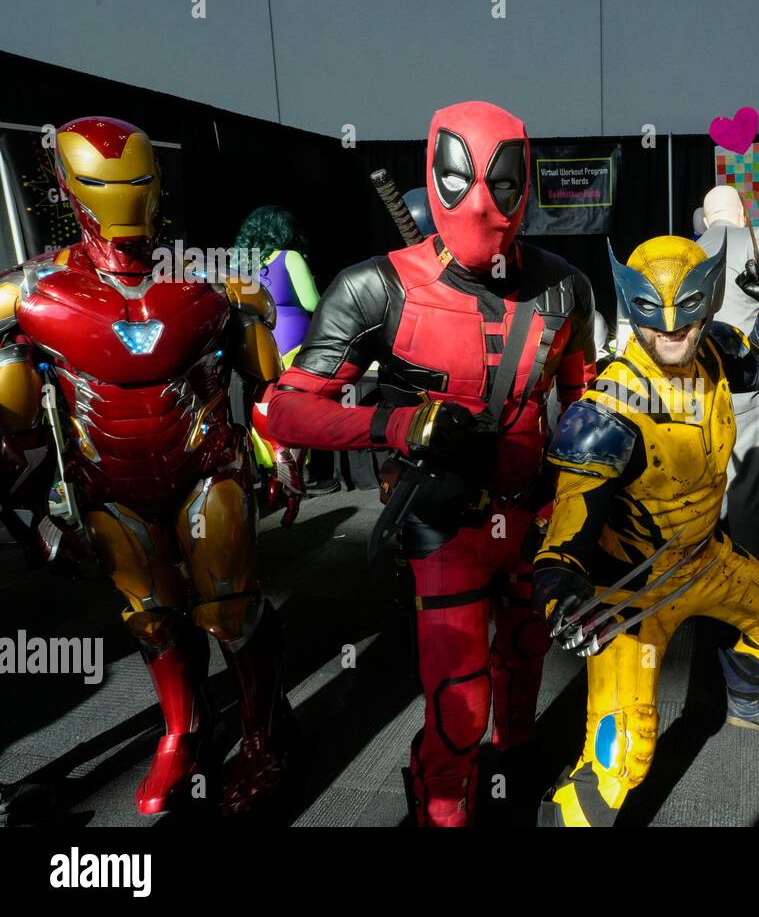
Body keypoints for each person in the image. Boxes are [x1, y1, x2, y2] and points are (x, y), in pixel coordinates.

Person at [260, 101, 596, 827]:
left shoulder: (567, 287)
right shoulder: (375, 287)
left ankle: (512, 765)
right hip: (447, 523)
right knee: (460, 698)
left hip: (532, 513)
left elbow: (586, 406)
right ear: (434, 179)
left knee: (526, 658)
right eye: (462, 181)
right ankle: (443, 797)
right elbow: (284, 409)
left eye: (502, 183)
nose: (482, 205)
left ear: (526, 181)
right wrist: (398, 423)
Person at [0, 116, 302, 817]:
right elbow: (13, 427)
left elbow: (266, 387)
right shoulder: (30, 292)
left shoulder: (212, 283)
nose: (124, 203)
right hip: (108, 484)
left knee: (229, 608)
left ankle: (263, 732)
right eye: (108, 185)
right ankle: (183, 731)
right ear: (72, 190)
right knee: (153, 620)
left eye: (137, 184)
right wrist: (34, 497)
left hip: (206, 468)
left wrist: (281, 449)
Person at [532, 235, 759, 826]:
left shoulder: (713, 350)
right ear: (633, 309)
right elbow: (564, 542)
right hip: (630, 590)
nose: (675, 334)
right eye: (659, 321)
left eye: (689, 319)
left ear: (707, 307)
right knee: (623, 760)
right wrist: (561, 597)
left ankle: (746, 701)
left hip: (705, 556)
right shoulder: (607, 412)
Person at [695, 185, 759, 566]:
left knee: (704, 492)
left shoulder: (687, 251)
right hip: (751, 388)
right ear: (741, 215)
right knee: (749, 495)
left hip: (700, 391)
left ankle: (705, 583)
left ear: (705, 220)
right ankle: (756, 588)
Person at [233, 205, 320, 365]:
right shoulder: (290, 257)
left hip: (253, 351)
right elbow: (312, 304)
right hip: (293, 343)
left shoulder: (238, 265)